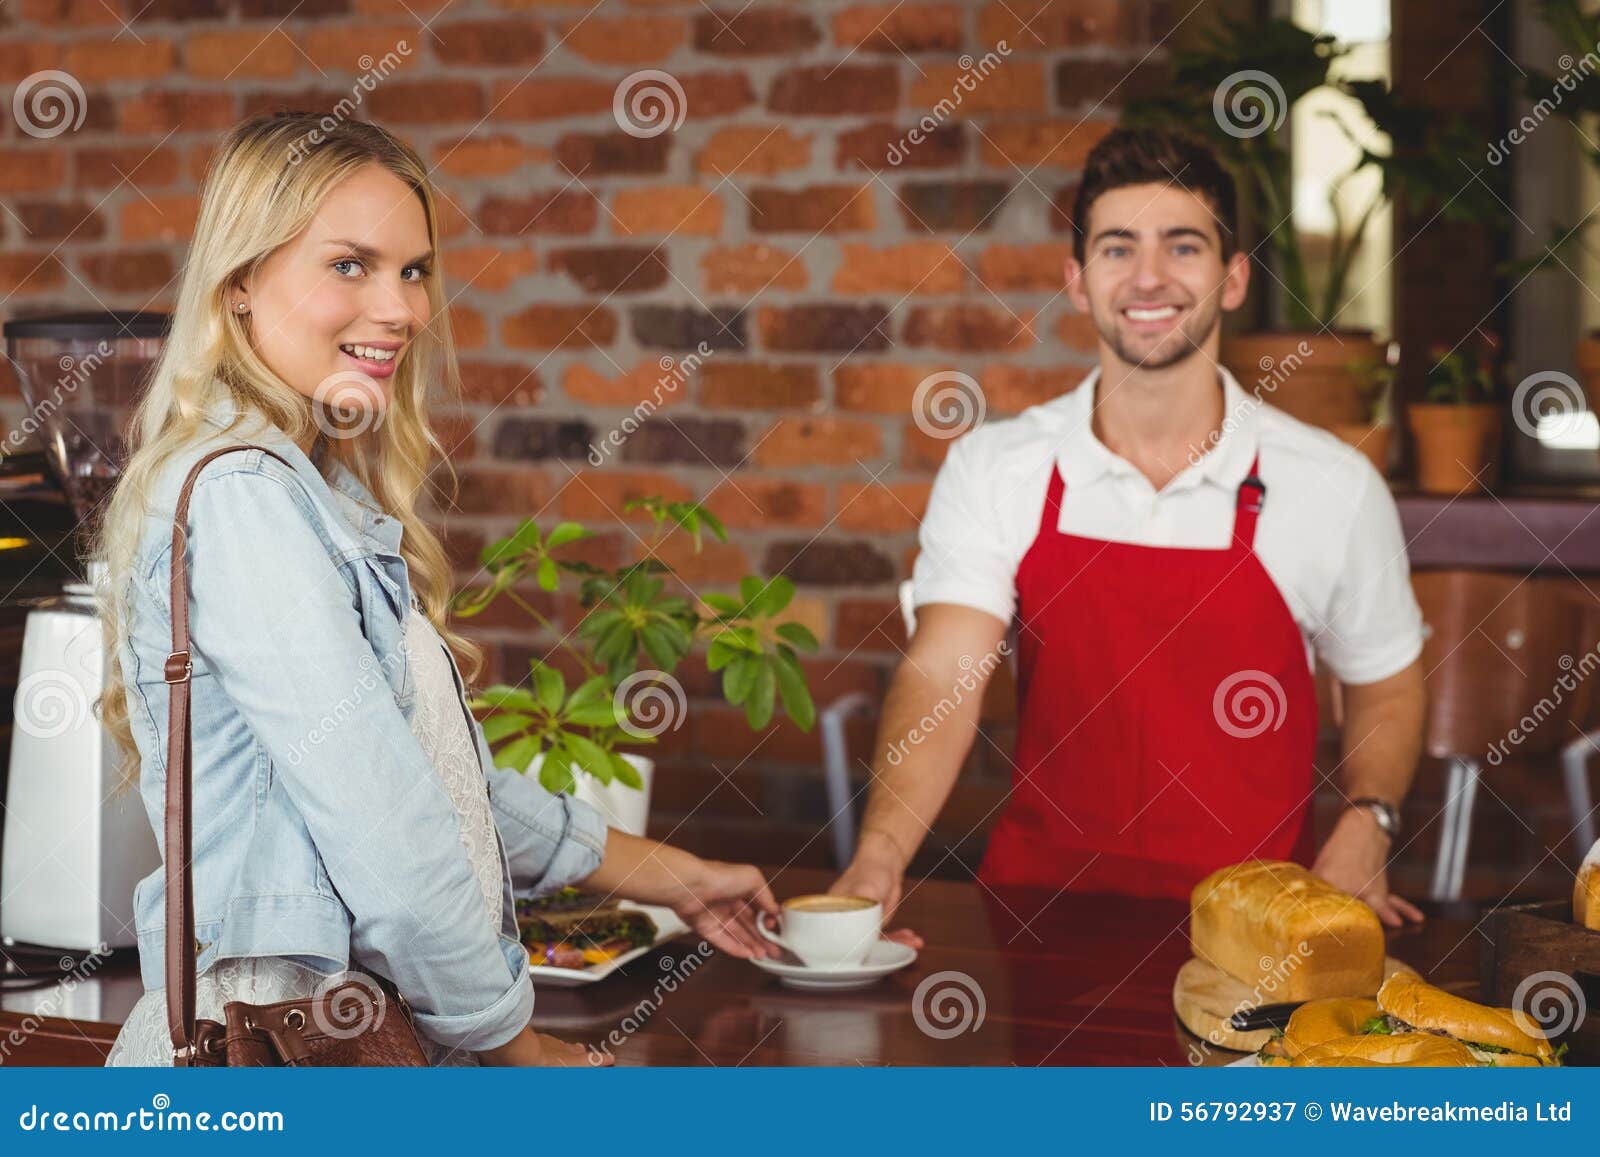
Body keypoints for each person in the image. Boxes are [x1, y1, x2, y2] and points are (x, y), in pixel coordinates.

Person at [95, 111, 779, 1068]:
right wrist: (514, 1044)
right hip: (274, 1043)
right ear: (241, 282)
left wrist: (678, 878)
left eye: (413, 271)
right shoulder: (247, 495)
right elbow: (386, 822)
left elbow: (438, 788)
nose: (404, 310)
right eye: (350, 265)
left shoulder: (307, 496)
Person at [832, 128, 1427, 927]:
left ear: (1234, 277)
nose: (1149, 276)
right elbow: (943, 674)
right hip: (1036, 919)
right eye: (1118, 249)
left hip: (1258, 934)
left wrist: (1369, 820)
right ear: (1078, 282)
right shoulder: (996, 467)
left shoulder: (1332, 486)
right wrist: (879, 854)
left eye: (1183, 246)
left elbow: (1385, 679)